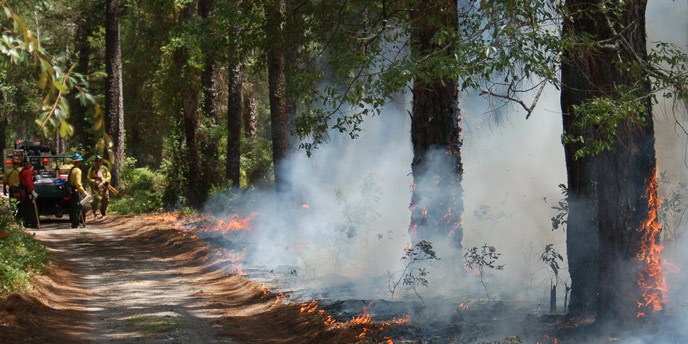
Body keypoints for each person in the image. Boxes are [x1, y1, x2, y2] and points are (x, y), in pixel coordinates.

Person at [67, 153, 89, 228]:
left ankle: (74, 223)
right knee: (77, 207)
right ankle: (76, 223)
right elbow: (78, 183)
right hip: (75, 190)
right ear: (77, 162)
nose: (80, 162)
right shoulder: (78, 171)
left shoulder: (72, 169)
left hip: (71, 190)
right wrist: (84, 192)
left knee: (74, 207)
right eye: (79, 161)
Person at [19, 158, 38, 228]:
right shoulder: (27, 172)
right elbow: (29, 182)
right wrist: (33, 191)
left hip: (24, 191)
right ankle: (32, 223)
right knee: (30, 207)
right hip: (27, 191)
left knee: (25, 207)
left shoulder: (22, 171)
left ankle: (26, 222)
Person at [3, 155, 23, 219]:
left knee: (13, 203)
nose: (15, 160)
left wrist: (4, 189)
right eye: (14, 159)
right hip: (19, 189)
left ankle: (16, 217)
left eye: (16, 159)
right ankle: (18, 217)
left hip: (14, 189)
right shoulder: (21, 170)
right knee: (19, 203)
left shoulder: (8, 171)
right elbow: (5, 181)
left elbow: (4, 182)